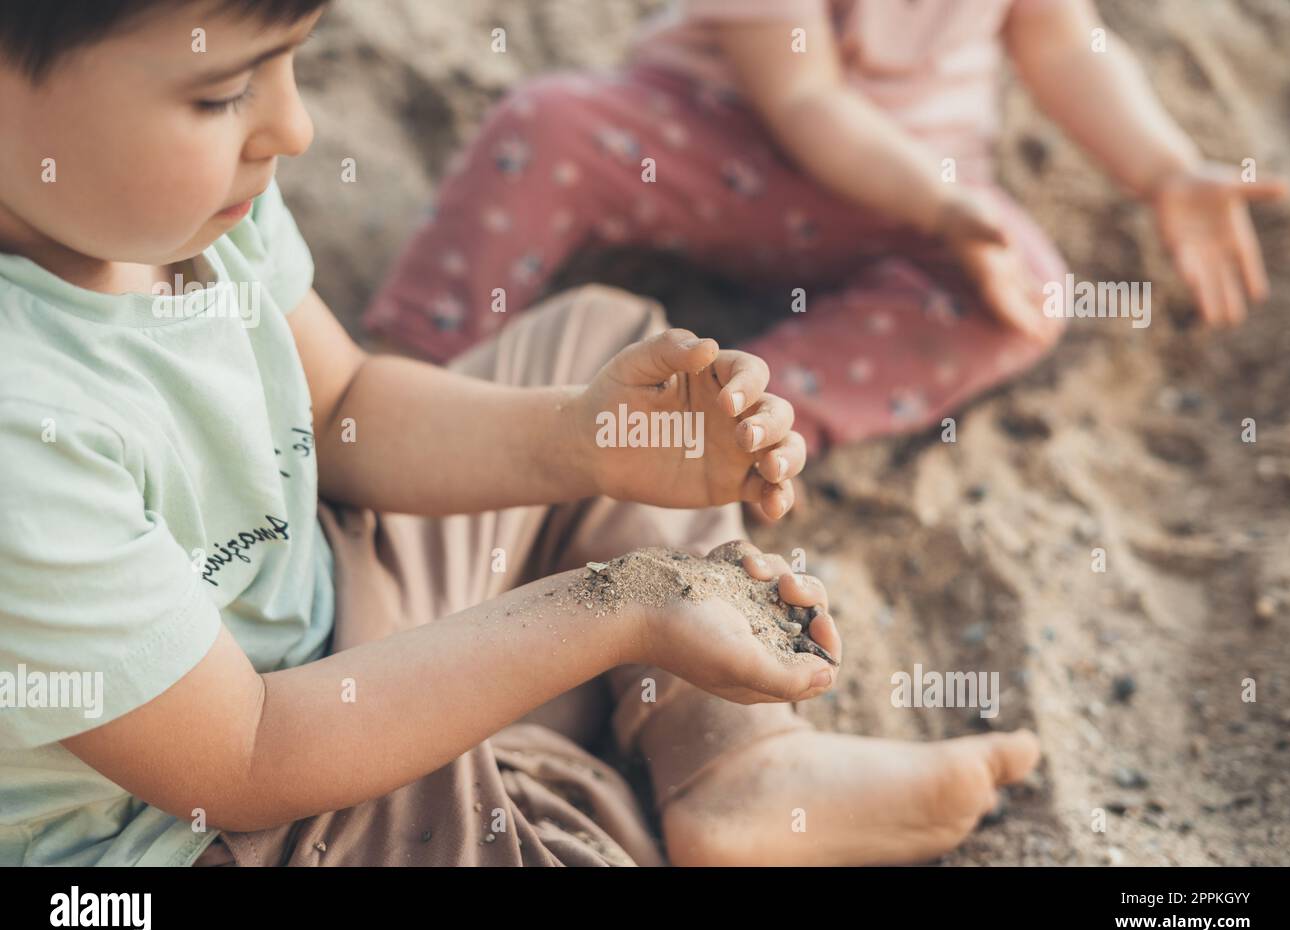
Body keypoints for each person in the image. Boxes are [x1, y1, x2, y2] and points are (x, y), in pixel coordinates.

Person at [0, 0, 1039, 868]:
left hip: (330, 597)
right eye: (222, 92)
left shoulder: (179, 214)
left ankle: (736, 769)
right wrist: (618, 602)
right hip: (225, 825)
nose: (293, 128)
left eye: (290, 66)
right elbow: (242, 758)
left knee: (601, 340)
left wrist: (579, 440)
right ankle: (565, 757)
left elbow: (346, 403)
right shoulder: (21, 429)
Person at [362, 0, 1288, 454]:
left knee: (1020, 293)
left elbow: (1062, 40)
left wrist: (1166, 169)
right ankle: (410, 371)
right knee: (548, 122)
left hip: (900, 199)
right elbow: (803, 94)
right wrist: (939, 200)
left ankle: (732, 431)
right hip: (713, 138)